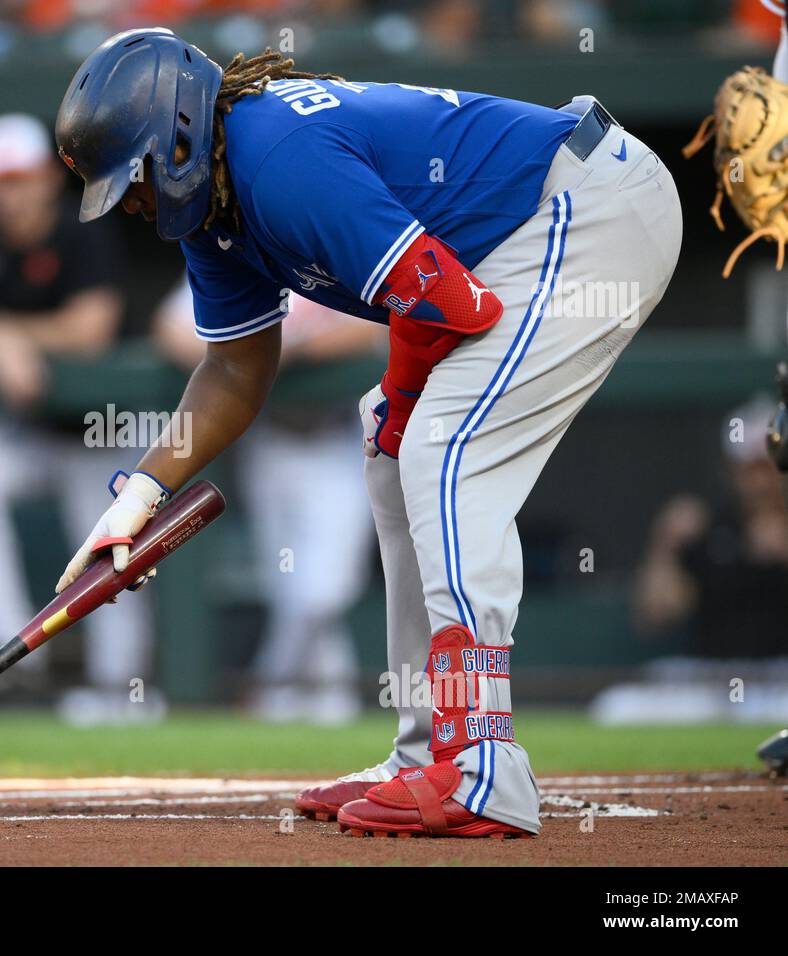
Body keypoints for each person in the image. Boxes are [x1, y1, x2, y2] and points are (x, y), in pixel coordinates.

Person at [53, 28, 681, 838]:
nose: (133, 203)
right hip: (516, 242)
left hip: (585, 206)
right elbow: (236, 373)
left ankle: (482, 762)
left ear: (175, 131)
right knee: (392, 449)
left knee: (440, 447)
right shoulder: (215, 204)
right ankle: (426, 752)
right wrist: (138, 498)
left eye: (132, 176)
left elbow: (453, 303)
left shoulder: (275, 155)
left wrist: (408, 395)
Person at [0, 113, 160, 725]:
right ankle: (12, 658)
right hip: (32, 430)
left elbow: (90, 330)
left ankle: (121, 685)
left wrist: (9, 336)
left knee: (112, 544)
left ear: (48, 179)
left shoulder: (83, 226)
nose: (10, 194)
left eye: (21, 178)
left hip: (103, 426)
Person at [154, 278, 382, 723]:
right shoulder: (248, 256)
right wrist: (234, 352)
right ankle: (329, 706)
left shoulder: (335, 254)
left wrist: (283, 347)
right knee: (289, 588)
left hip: (341, 440)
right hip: (273, 444)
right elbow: (169, 329)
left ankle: (267, 686)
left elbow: (374, 329)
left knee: (324, 592)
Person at [591, 397, 788, 724]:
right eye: (748, 470)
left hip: (780, 678)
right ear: (731, 471)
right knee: (615, 708)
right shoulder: (709, 528)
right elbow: (654, 615)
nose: (759, 483)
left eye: (767, 469)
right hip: (711, 678)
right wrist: (664, 547)